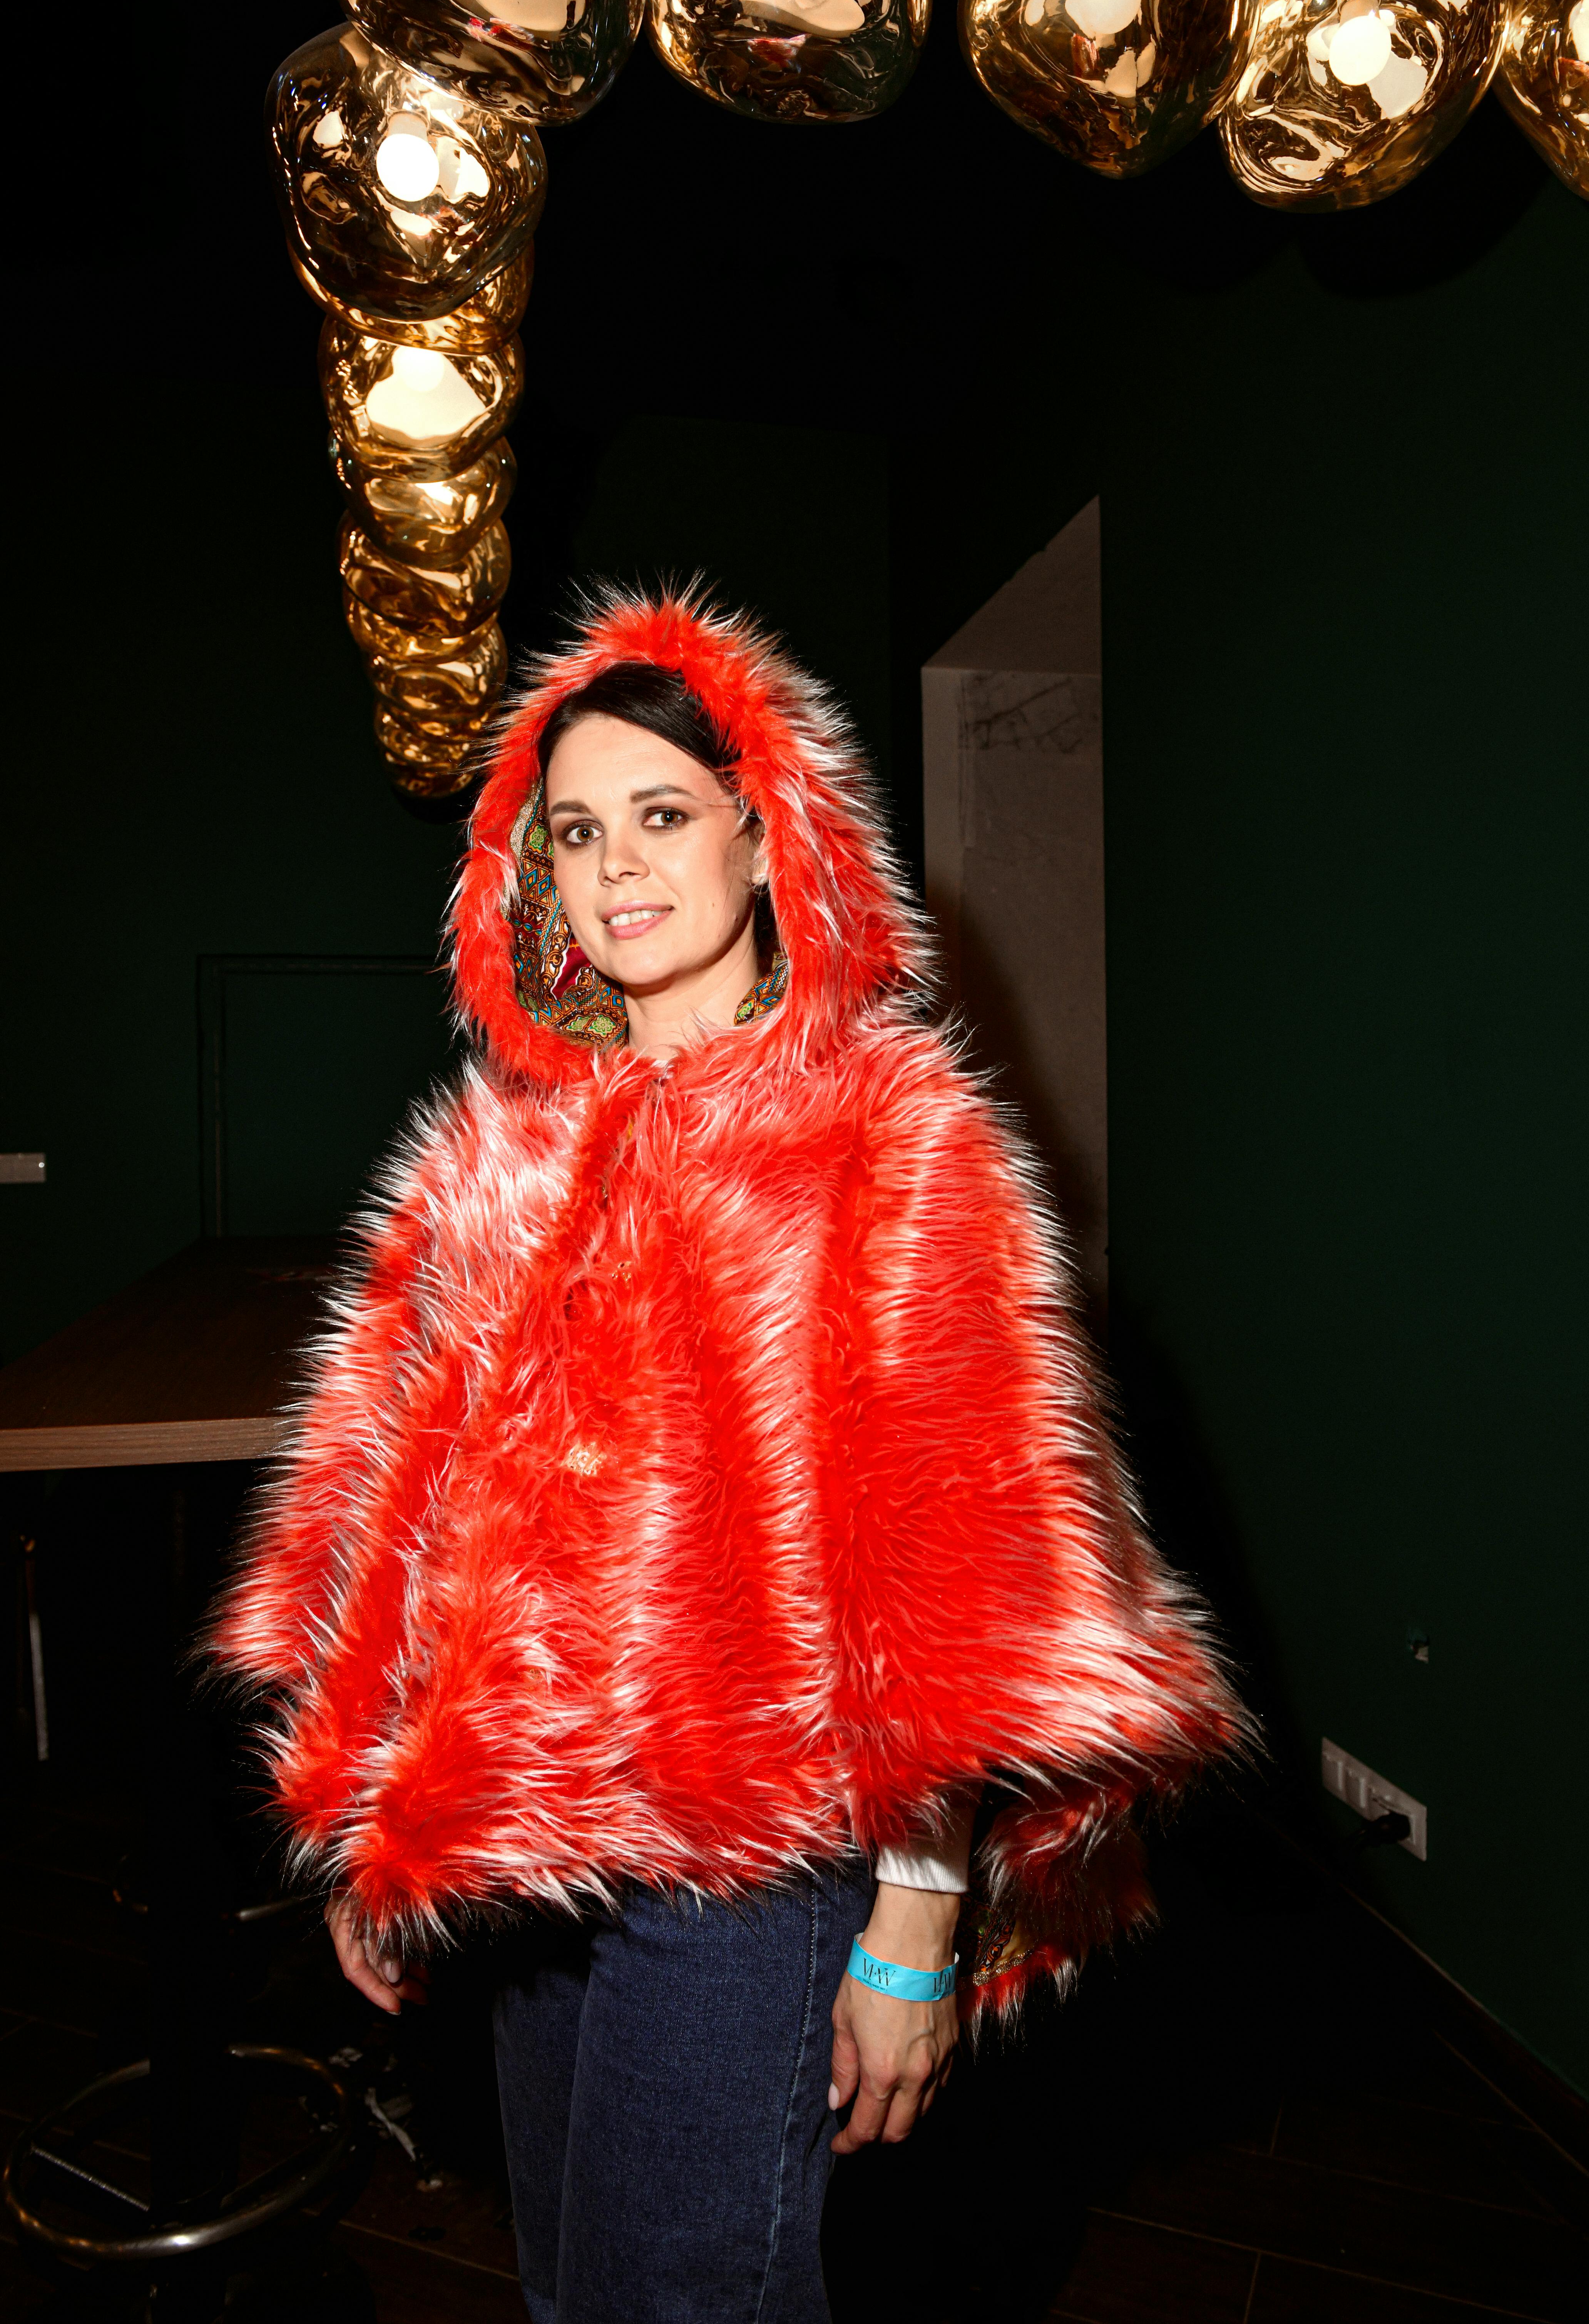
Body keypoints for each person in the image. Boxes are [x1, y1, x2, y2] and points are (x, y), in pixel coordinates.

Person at [212, 590, 1246, 2322]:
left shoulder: (890, 1127)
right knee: (567, 2282)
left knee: (685, 2296)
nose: (616, 866)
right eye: (576, 831)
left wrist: (914, 1925)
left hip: (753, 1862)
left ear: (768, 838)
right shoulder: (500, 1147)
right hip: (516, 1842)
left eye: (664, 814)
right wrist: (376, 1810)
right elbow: (391, 1506)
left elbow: (957, 1558)